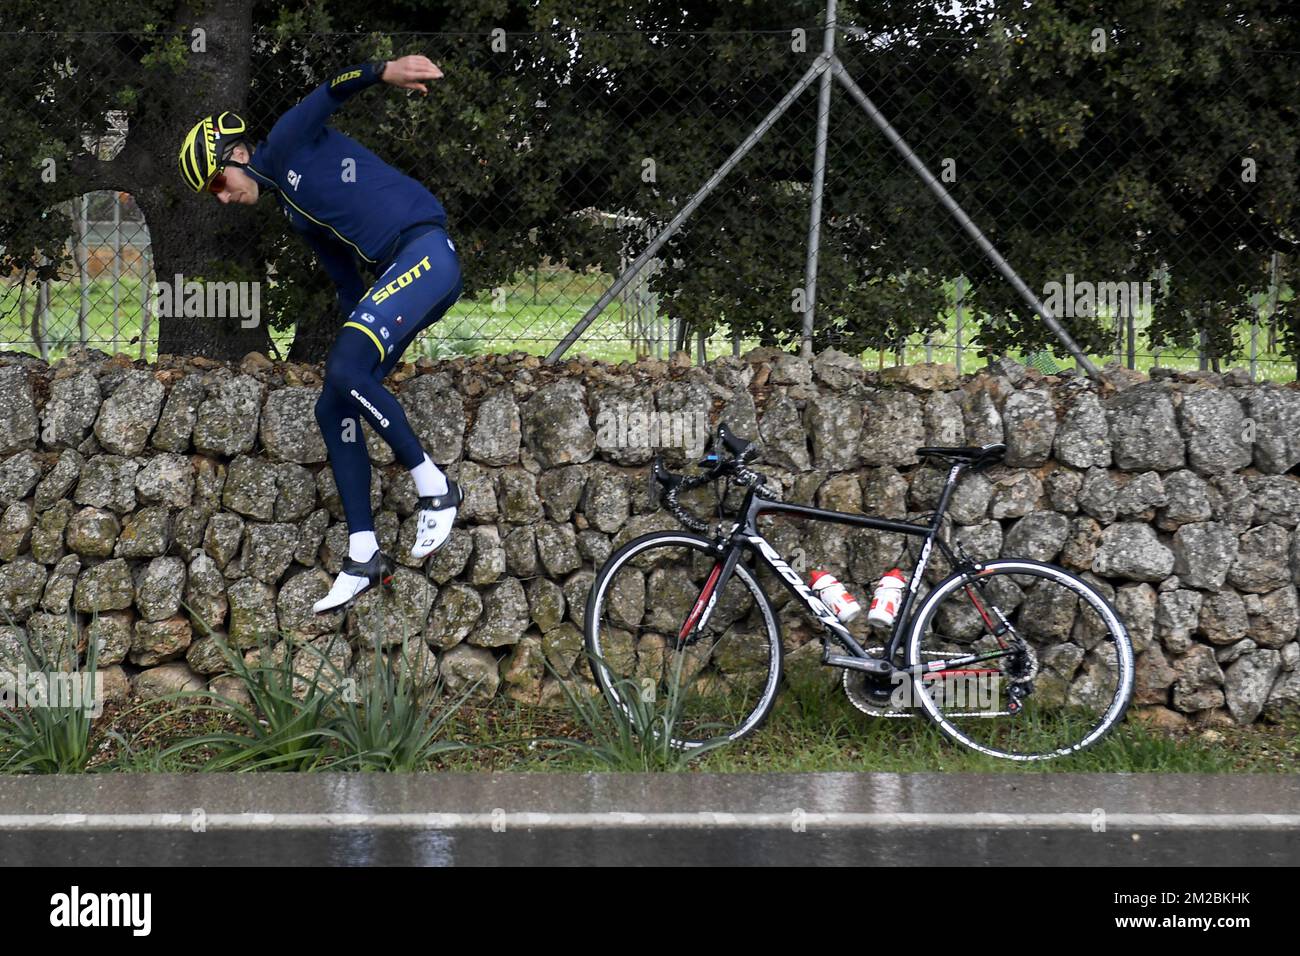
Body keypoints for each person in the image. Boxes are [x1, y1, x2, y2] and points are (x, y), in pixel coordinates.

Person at [178, 56, 463, 613]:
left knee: (345, 371)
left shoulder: (284, 143)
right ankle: (363, 551)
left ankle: (435, 486)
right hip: (402, 275)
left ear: (236, 155)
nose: (221, 196)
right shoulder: (296, 212)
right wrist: (364, 327)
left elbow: (329, 91)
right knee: (334, 404)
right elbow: (344, 281)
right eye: (210, 194)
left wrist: (384, 71)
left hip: (426, 251)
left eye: (217, 181)